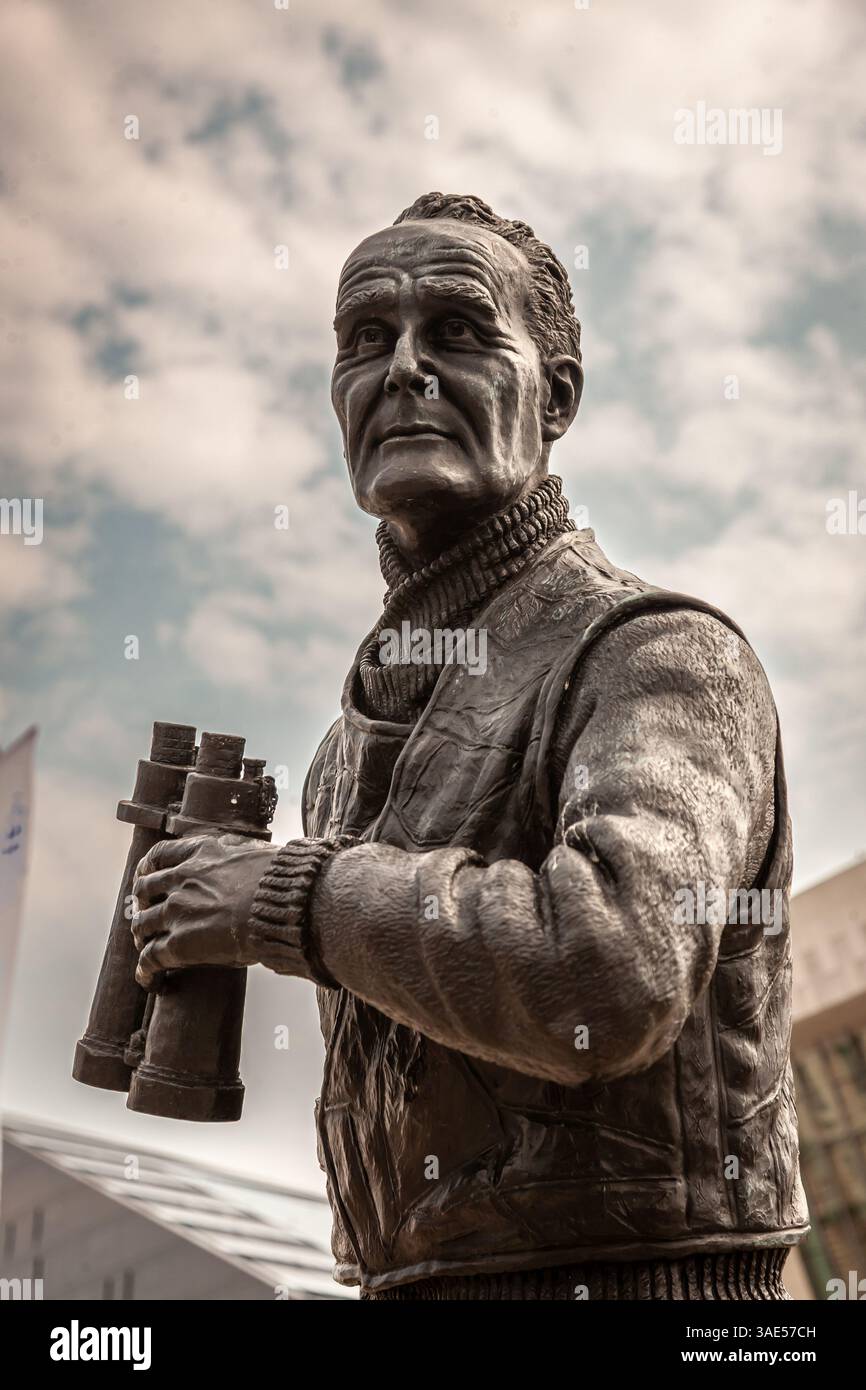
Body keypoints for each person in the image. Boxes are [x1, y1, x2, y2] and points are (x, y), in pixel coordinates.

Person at [132, 193, 808, 1300]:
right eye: (365, 340)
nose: (401, 367)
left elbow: (608, 971)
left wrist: (281, 899)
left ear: (554, 397)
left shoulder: (657, 653)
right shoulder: (339, 754)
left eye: (456, 329)